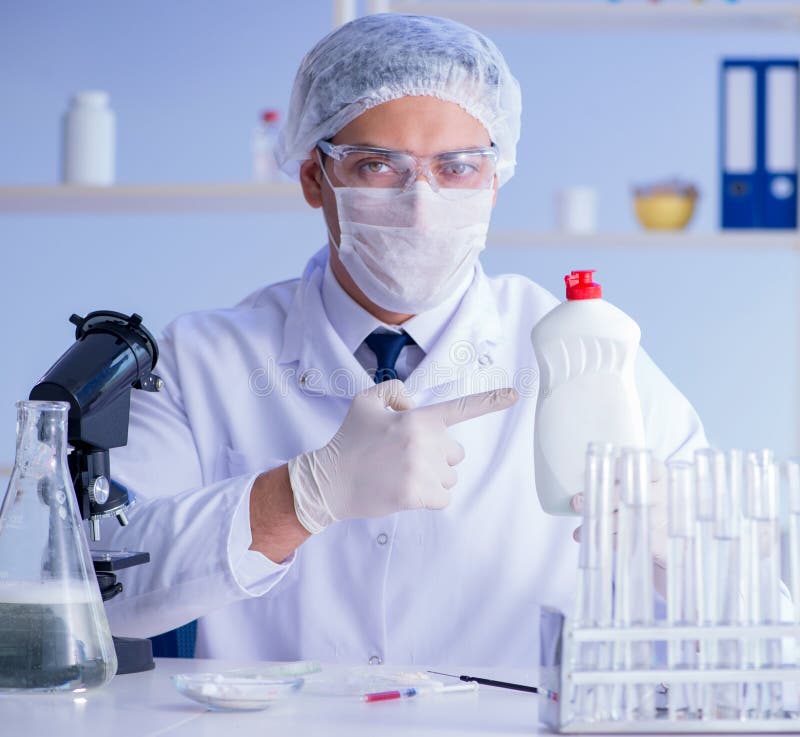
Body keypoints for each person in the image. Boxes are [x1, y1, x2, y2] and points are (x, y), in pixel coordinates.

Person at [101, 13, 706, 667]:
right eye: (376, 167)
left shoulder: (585, 355)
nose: (421, 203)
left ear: (496, 180)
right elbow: (100, 587)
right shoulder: (202, 360)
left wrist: (688, 562)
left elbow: (768, 627)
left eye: (458, 168)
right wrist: (303, 494)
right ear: (314, 177)